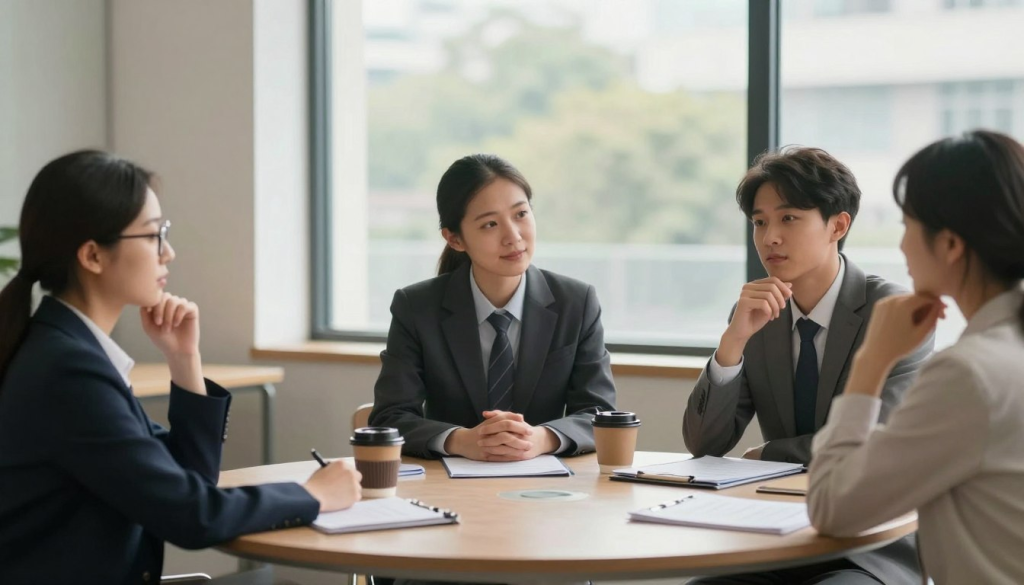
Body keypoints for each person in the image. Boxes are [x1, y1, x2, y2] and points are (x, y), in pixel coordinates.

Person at [0, 150, 362, 585]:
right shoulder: (67, 371)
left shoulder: (69, 351)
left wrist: (184, 359)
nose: (168, 252)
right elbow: (192, 516)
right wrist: (310, 496)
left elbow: (188, 481)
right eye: (153, 235)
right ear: (93, 256)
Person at [683, 147, 929, 584]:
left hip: (868, 547)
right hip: (776, 538)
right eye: (760, 222)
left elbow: (874, 445)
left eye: (788, 218)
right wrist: (732, 342)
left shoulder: (891, 311)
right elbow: (706, 444)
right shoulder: (757, 313)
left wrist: (767, 454)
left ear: (838, 224)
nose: (769, 237)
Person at [808, 130, 1024, 583]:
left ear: (949, 244)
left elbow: (831, 507)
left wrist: (871, 362)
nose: (902, 247)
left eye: (907, 227)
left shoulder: (968, 374)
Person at [369, 154, 616, 461]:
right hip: (449, 487)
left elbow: (601, 414)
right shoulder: (417, 308)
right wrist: (461, 441)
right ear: (455, 239)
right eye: (489, 224)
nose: (513, 236)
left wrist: (540, 438)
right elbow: (389, 418)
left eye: (521, 214)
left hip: (548, 489)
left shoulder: (576, 303)